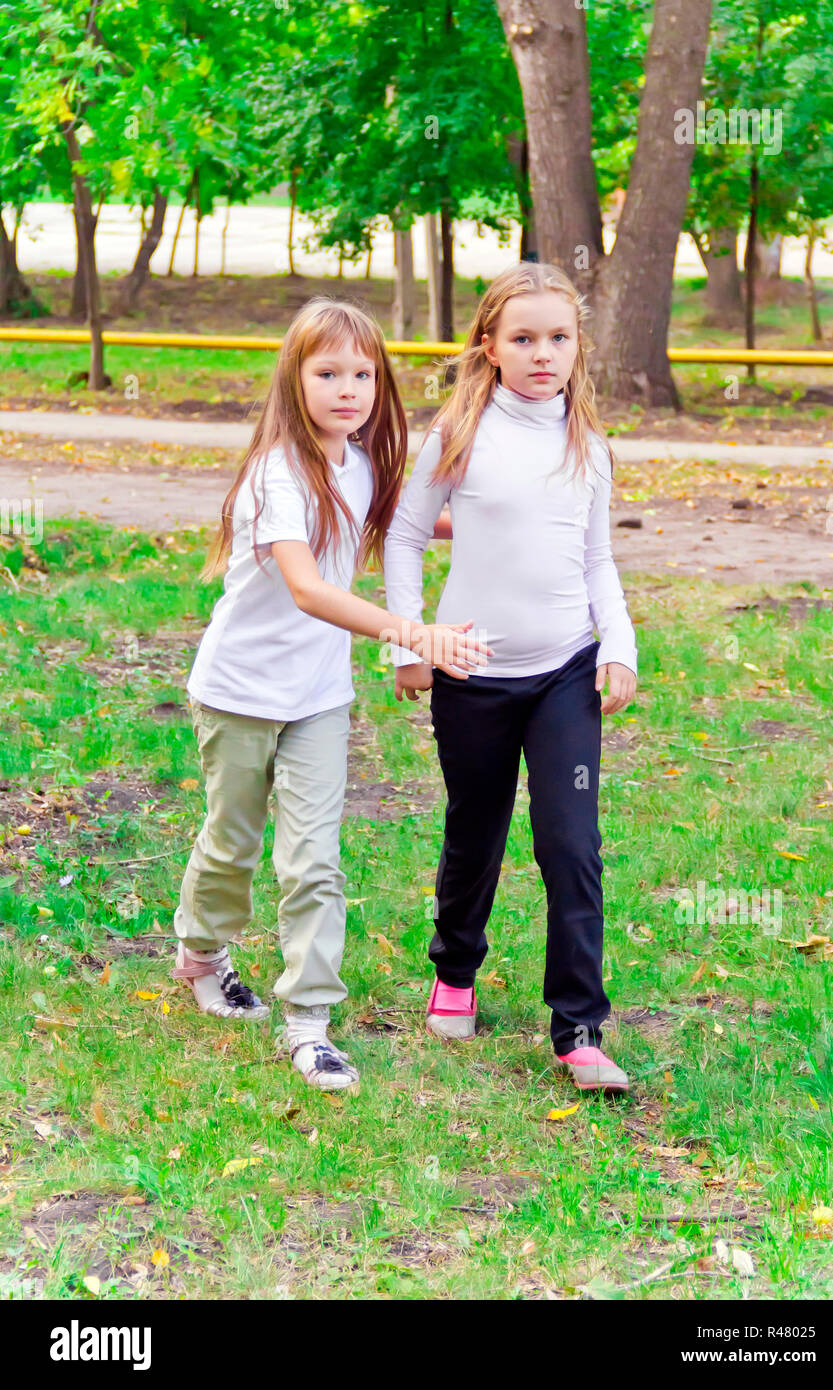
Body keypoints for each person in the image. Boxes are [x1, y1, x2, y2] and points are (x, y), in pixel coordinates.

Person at [172, 297, 489, 1091]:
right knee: (233, 842)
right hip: (239, 691)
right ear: (295, 378)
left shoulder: (363, 462)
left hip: (317, 697)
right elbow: (309, 589)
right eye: (328, 373)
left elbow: (408, 524)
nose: (348, 389)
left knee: (314, 860)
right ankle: (202, 954)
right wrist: (413, 635)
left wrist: (510, 523)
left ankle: (309, 1024)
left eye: (363, 375)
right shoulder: (277, 471)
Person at [384, 262, 637, 1094]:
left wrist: (618, 644)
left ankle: (579, 1028)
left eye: (558, 337)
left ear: (577, 345)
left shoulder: (587, 445)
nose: (542, 353)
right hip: (474, 672)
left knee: (572, 844)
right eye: (523, 338)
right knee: (477, 830)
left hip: (565, 672)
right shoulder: (459, 434)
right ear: (490, 346)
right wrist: (410, 641)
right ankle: (455, 971)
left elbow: (598, 558)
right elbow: (405, 536)